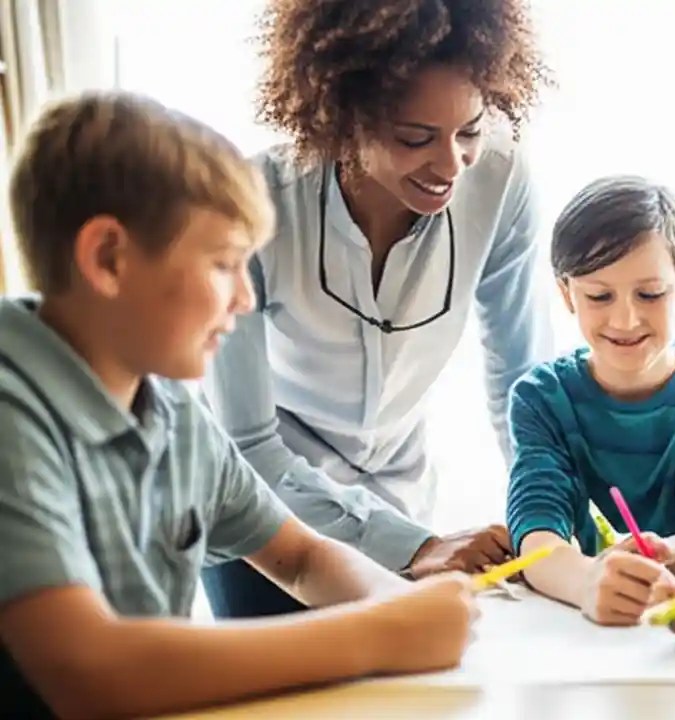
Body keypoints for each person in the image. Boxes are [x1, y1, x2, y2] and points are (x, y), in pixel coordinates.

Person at [0, 91, 477, 720]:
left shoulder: (174, 413)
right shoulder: (12, 413)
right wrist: (379, 635)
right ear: (109, 259)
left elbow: (301, 558)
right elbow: (86, 669)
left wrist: (404, 606)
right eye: (225, 264)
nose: (246, 301)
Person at [201, 0, 553, 617]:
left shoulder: (500, 180)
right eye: (415, 138)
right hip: (263, 519)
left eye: (470, 131)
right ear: (344, 120)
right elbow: (247, 446)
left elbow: (521, 386)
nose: (451, 165)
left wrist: (548, 520)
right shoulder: (253, 206)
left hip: (400, 501)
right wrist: (415, 546)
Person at [506, 176, 675, 626]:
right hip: (589, 625)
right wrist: (587, 582)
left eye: (649, 294)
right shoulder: (540, 397)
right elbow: (536, 531)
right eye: (599, 296)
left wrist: (663, 555)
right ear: (567, 294)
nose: (625, 320)